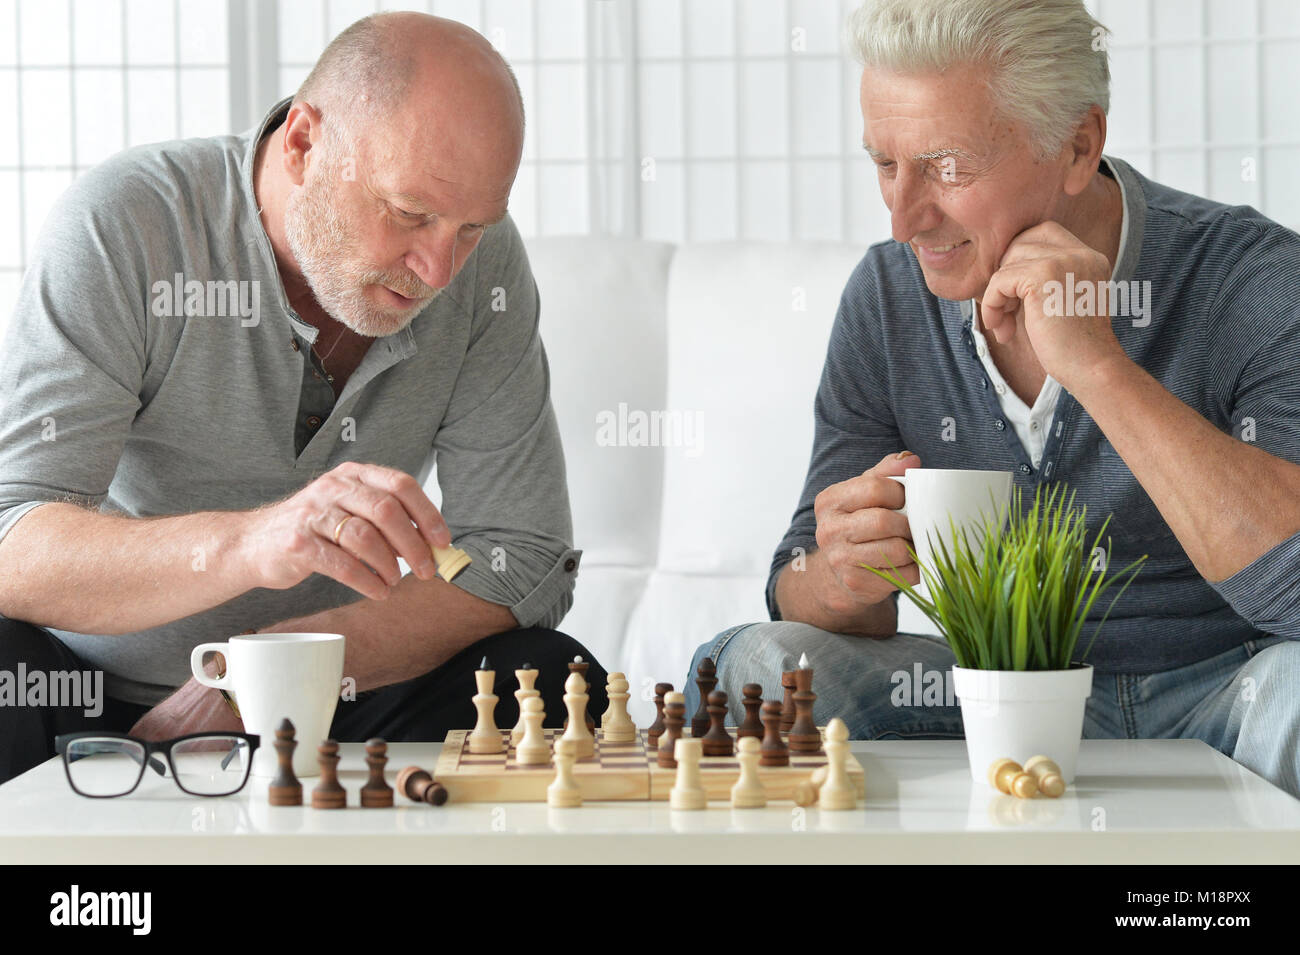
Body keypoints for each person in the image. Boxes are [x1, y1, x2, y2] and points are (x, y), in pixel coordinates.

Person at [684, 0, 1300, 797]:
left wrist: (1098, 366)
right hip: (985, 699)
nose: (904, 217)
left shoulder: (1249, 277)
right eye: (883, 163)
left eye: (946, 166)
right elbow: (795, 581)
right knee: (761, 662)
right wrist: (842, 573)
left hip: (1226, 696)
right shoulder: (886, 297)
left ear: (1077, 147)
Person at [0, 12, 605, 786]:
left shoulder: (482, 275)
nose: (439, 271)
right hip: (87, 694)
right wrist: (253, 544)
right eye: (410, 214)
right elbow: (15, 538)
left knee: (548, 677)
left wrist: (260, 670)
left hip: (338, 688)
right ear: (302, 143)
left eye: (472, 229)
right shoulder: (126, 226)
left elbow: (522, 555)